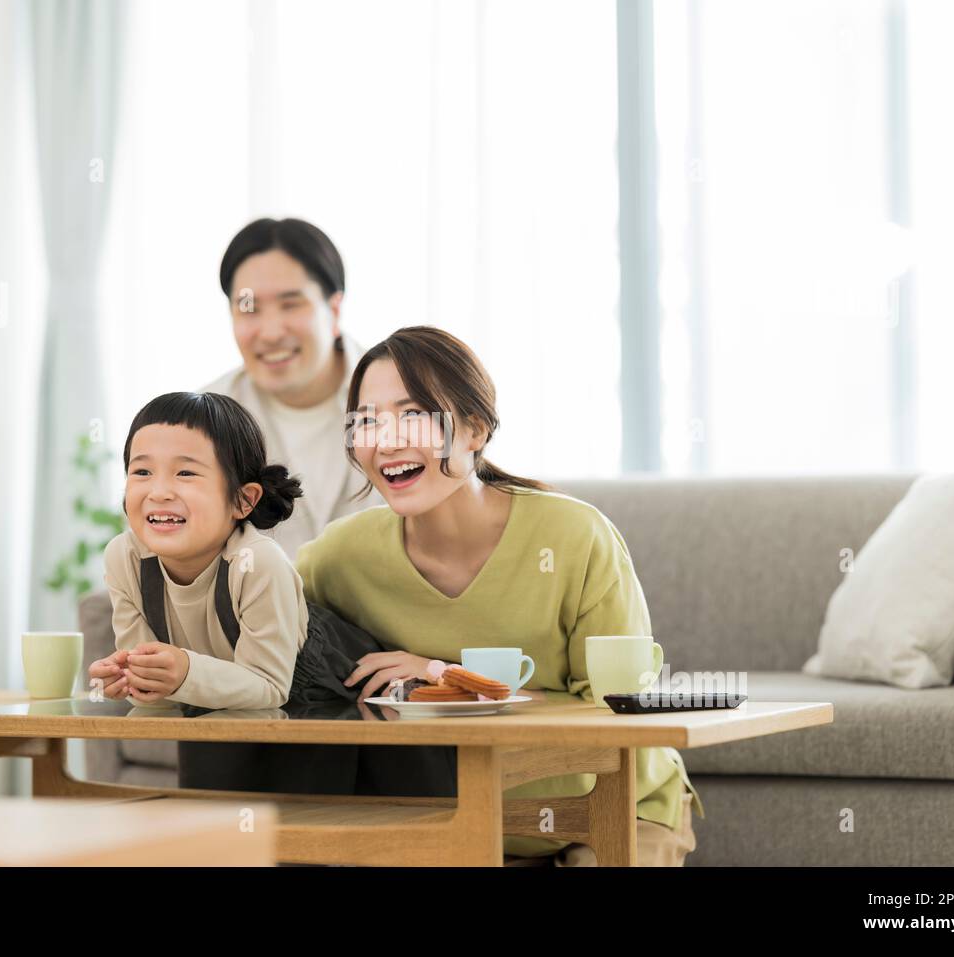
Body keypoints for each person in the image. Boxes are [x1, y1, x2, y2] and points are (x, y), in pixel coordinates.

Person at [295, 326, 704, 865]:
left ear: (474, 429)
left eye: (414, 413)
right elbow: (251, 612)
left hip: (612, 810)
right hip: (457, 826)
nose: (386, 440)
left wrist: (449, 682)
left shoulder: (575, 538)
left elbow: (616, 712)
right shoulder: (342, 556)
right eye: (367, 420)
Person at [87, 390, 450, 796]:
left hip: (325, 695)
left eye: (185, 473)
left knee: (311, 835)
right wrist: (131, 677)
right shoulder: (125, 559)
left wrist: (183, 671)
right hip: (214, 698)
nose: (159, 491)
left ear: (244, 499)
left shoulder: (258, 563)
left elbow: (269, 687)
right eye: (142, 472)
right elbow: (157, 687)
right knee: (209, 828)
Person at [202, 217, 383, 559]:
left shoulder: (408, 398)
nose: (270, 332)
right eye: (248, 308)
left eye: (290, 304)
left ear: (334, 309)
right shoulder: (204, 422)